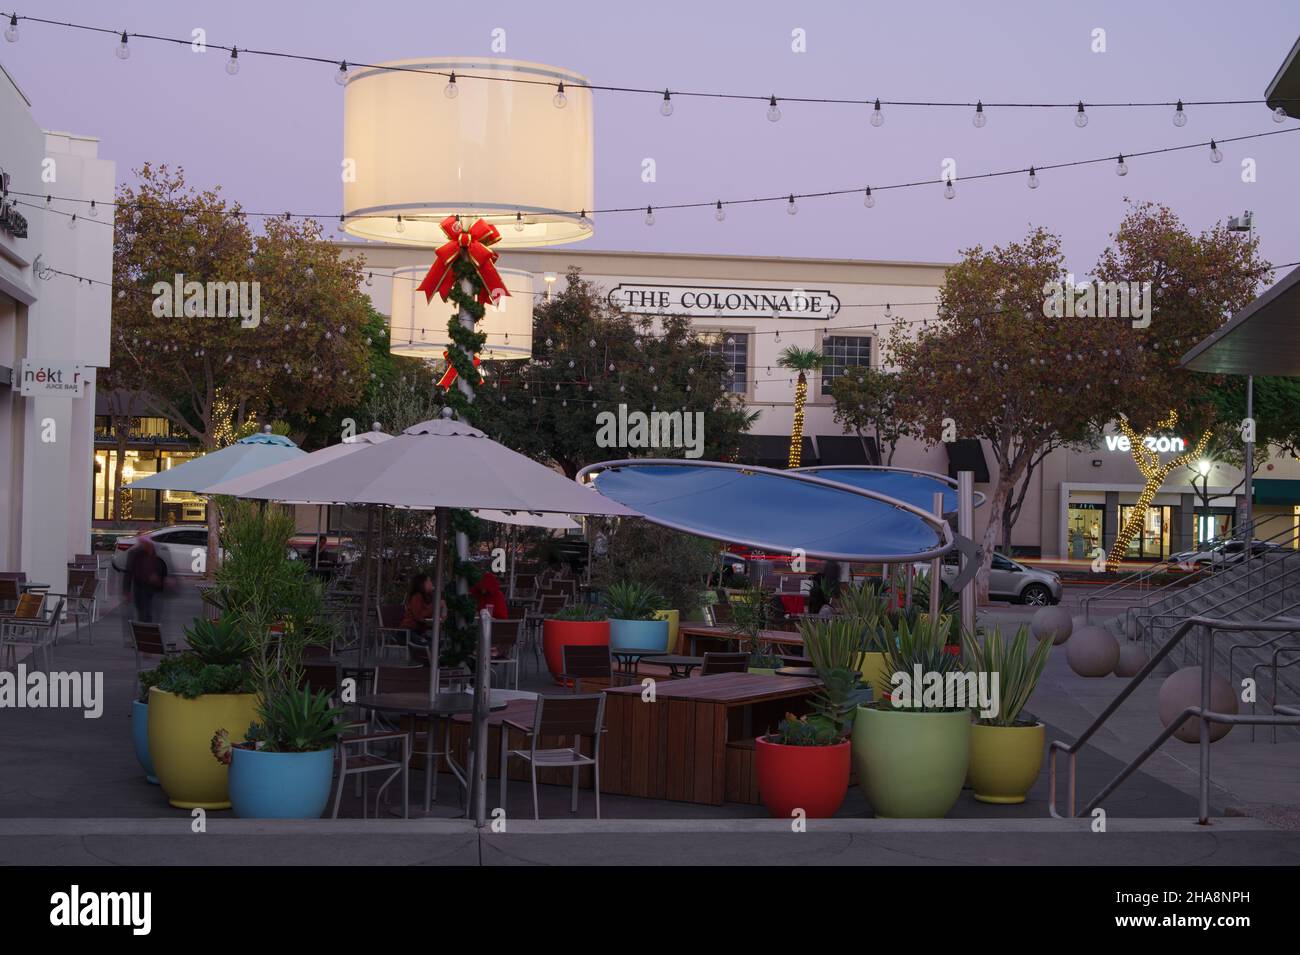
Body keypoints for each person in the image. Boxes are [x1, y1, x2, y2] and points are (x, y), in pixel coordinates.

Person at [124, 537, 164, 623]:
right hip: (140, 586)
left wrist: (158, 578)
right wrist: (127, 590)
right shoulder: (134, 553)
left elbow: (161, 567)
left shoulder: (156, 552)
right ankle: (144, 629)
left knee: (148, 612)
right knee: (143, 612)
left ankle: (147, 628)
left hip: (152, 586)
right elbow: (129, 572)